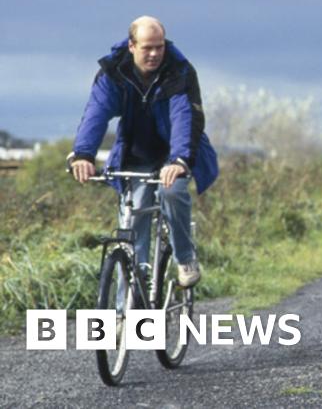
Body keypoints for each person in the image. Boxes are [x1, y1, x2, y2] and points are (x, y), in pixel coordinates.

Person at [68, 16, 219, 288]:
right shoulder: (113, 72)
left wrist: (180, 160)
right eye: (147, 47)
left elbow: (185, 118)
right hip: (136, 154)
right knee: (133, 219)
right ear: (131, 46)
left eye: (159, 47)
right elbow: (96, 113)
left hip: (174, 153)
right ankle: (127, 306)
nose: (154, 54)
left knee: (172, 192)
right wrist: (83, 154)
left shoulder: (179, 71)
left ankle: (185, 258)